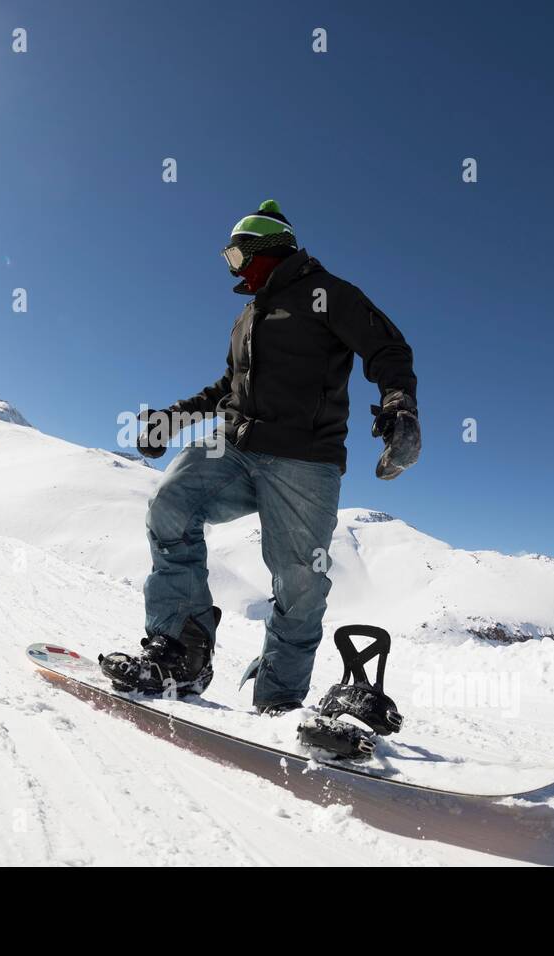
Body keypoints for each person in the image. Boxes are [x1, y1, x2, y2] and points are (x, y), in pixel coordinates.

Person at [100, 200, 420, 713]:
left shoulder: (329, 294)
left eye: (234, 255)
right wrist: (176, 418)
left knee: (299, 583)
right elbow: (228, 385)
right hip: (235, 447)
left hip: (304, 459)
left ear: (265, 249)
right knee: (170, 508)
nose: (231, 269)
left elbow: (387, 349)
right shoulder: (248, 315)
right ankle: (181, 652)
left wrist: (399, 403)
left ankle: (277, 702)